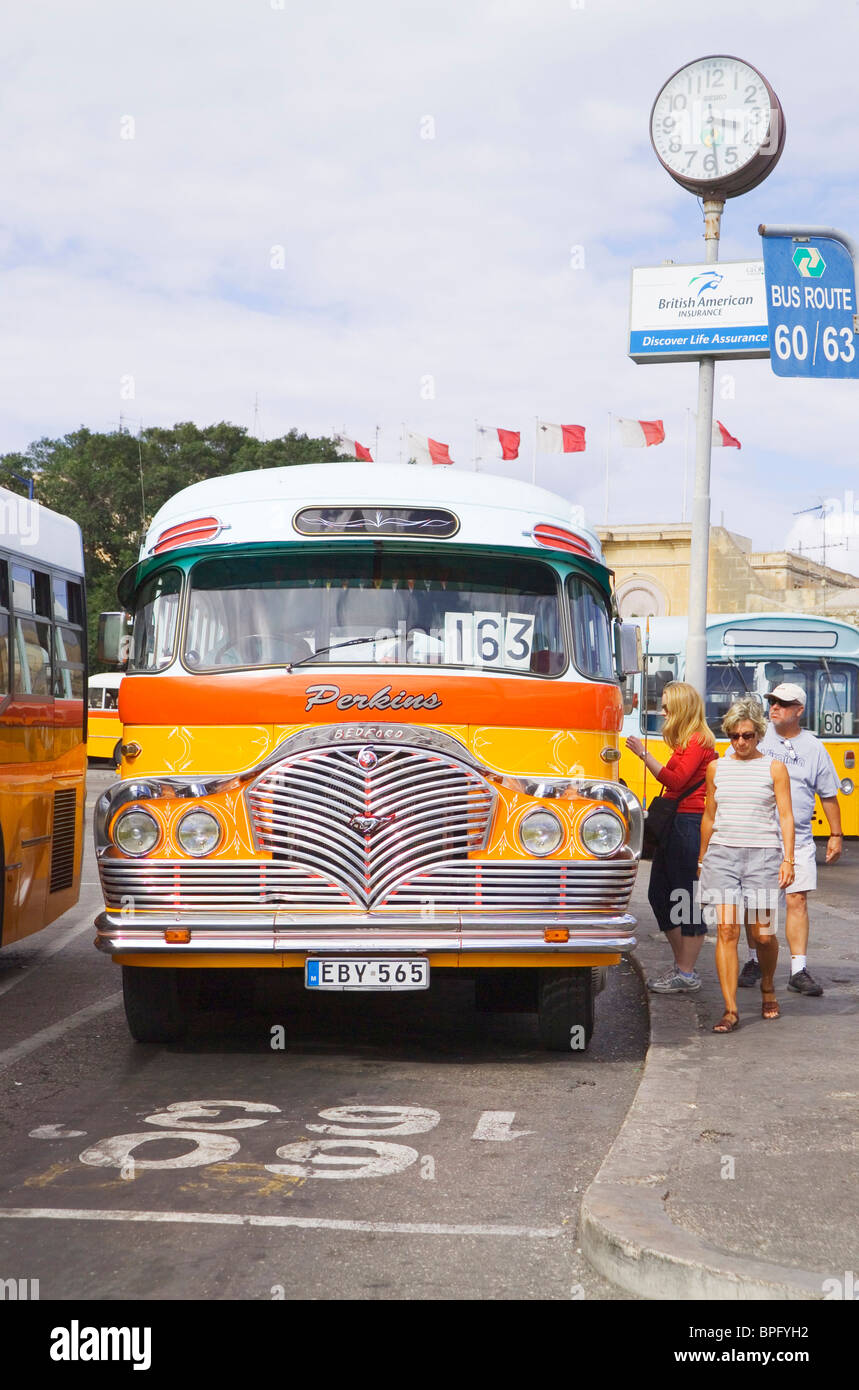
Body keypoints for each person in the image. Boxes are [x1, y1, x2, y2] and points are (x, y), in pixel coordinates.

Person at [738, 682, 842, 997]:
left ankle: (798, 970)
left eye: (783, 703)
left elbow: (828, 795)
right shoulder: (753, 735)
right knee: (757, 904)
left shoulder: (814, 748)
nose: (775, 707)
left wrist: (836, 834)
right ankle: (755, 958)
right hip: (758, 834)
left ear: (799, 710)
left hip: (798, 837)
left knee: (797, 900)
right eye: (772, 701)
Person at [698, 697, 795, 1032]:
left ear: (758, 735)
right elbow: (709, 816)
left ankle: (768, 986)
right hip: (722, 855)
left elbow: (786, 816)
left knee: (763, 935)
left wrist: (788, 859)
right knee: (726, 930)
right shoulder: (716, 768)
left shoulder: (774, 768)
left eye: (748, 735)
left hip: (763, 856)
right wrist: (702, 858)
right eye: (735, 736)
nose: (741, 742)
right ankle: (730, 1009)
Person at [625, 681, 717, 992]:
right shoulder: (686, 741)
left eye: (667, 706)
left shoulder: (698, 741)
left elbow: (675, 780)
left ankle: (686, 972)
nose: (663, 712)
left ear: (681, 708)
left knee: (685, 897)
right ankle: (682, 966)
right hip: (677, 823)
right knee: (659, 894)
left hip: (688, 822)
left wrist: (644, 755)